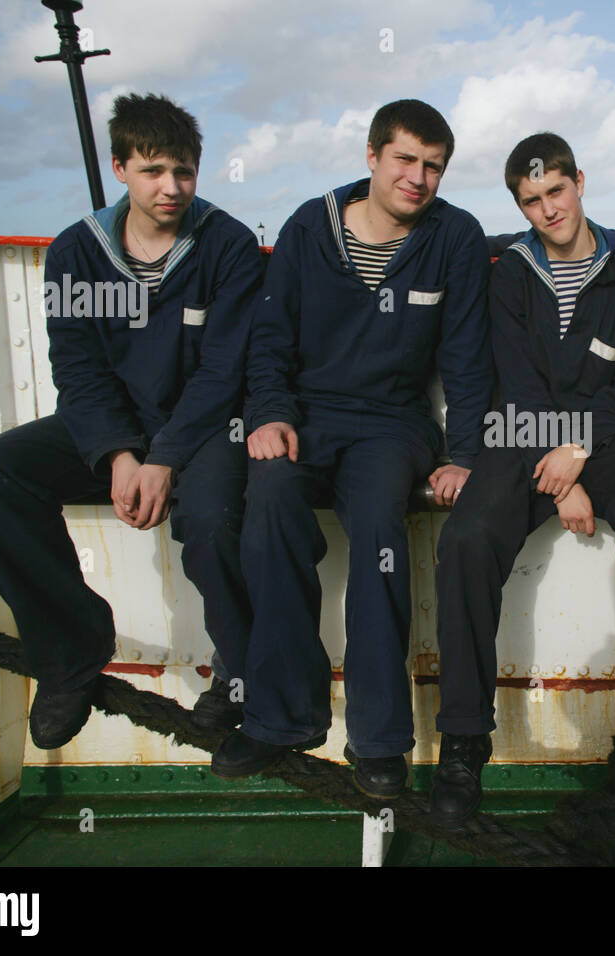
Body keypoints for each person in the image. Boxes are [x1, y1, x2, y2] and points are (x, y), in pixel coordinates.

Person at [429, 132, 615, 827]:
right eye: (531, 201)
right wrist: (565, 480)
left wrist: (581, 453)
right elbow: (519, 382)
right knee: (468, 540)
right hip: (521, 431)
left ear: (580, 182)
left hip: (608, 430)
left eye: (555, 192)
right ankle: (464, 738)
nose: (547, 210)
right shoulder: (509, 274)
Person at [0, 93, 264, 749]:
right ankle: (70, 652)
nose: (171, 187)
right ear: (121, 168)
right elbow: (79, 368)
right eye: (153, 171)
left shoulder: (227, 245)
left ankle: (240, 675)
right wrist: (121, 453)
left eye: (183, 171)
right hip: (114, 423)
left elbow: (223, 371)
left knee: (211, 519)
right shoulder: (78, 251)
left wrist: (163, 459)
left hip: (204, 427)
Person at [211, 100, 493, 797]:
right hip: (307, 415)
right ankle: (281, 717)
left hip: (393, 424)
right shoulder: (311, 225)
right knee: (267, 501)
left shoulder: (454, 237)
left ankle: (378, 739)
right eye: (405, 160)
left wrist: (463, 453)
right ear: (372, 157)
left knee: (376, 529)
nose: (418, 178)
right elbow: (270, 339)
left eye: (433, 166)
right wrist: (270, 416)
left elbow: (466, 358)